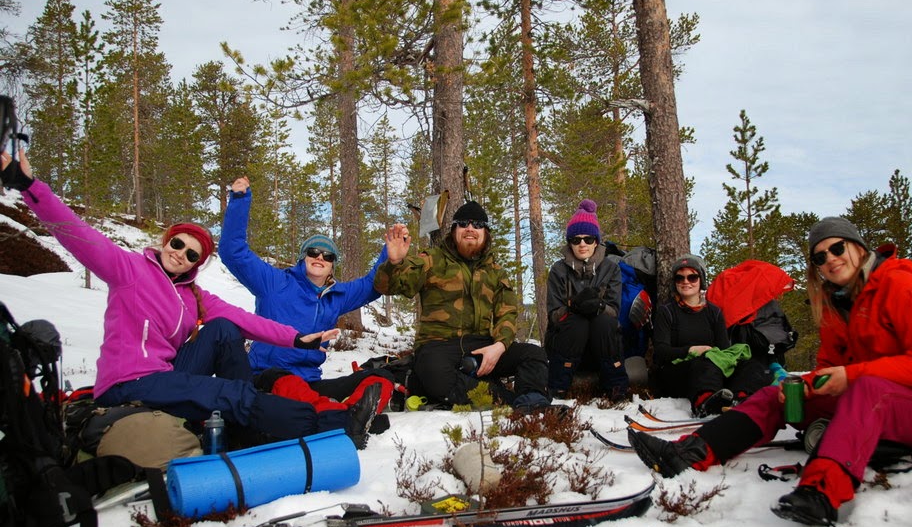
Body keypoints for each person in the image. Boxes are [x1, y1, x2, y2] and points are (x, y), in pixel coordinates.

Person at [1, 147, 380, 450]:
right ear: (167, 241)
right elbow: (77, 234)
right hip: (126, 382)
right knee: (229, 393)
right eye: (178, 244)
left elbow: (244, 320)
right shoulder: (129, 269)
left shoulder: (192, 295)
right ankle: (335, 425)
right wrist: (31, 187)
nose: (182, 253)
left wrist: (296, 338)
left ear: (197, 263)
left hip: (164, 376)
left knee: (223, 329)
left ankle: (246, 419)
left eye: (193, 253)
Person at [629, 217, 912, 526]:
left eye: (837, 248)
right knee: (777, 394)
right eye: (819, 257)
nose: (830, 260)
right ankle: (688, 453)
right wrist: (809, 385)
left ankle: (821, 492)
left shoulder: (902, 287)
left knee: (869, 389)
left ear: (858, 247)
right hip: (866, 400)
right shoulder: (837, 304)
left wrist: (850, 376)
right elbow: (829, 366)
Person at [219, 176, 398, 412]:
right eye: (313, 252)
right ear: (302, 257)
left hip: (310, 383)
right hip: (267, 378)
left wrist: (390, 257)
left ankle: (349, 414)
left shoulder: (337, 296)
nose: (320, 257)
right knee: (287, 384)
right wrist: (240, 200)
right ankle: (334, 415)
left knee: (380, 377)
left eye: (328, 256)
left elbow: (371, 285)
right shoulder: (274, 283)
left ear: (332, 265)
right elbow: (233, 252)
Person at [374, 200, 549, 412]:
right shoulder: (431, 260)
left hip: (482, 346)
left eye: (478, 224)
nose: (470, 228)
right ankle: (509, 401)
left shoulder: (495, 272)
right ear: (454, 230)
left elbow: (507, 314)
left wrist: (499, 346)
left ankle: (533, 399)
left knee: (533, 354)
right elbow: (387, 286)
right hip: (438, 345)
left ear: (485, 233)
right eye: (463, 223)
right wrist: (394, 264)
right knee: (434, 374)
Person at [544, 199, 628, 401]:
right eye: (576, 239)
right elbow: (553, 316)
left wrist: (599, 306)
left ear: (596, 241)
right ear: (569, 242)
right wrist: (573, 306)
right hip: (568, 343)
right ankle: (558, 386)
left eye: (588, 239)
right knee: (577, 322)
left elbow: (614, 311)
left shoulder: (611, 268)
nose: (582, 244)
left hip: (601, 344)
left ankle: (616, 386)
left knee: (603, 321)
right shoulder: (558, 270)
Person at [650, 254, 740, 417]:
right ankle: (704, 402)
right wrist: (691, 350)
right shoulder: (667, 311)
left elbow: (724, 349)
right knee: (701, 363)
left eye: (692, 277)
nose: (686, 282)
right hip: (676, 374)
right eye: (680, 278)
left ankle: (744, 398)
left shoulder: (714, 312)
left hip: (711, 370)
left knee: (749, 364)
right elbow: (661, 351)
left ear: (701, 281)